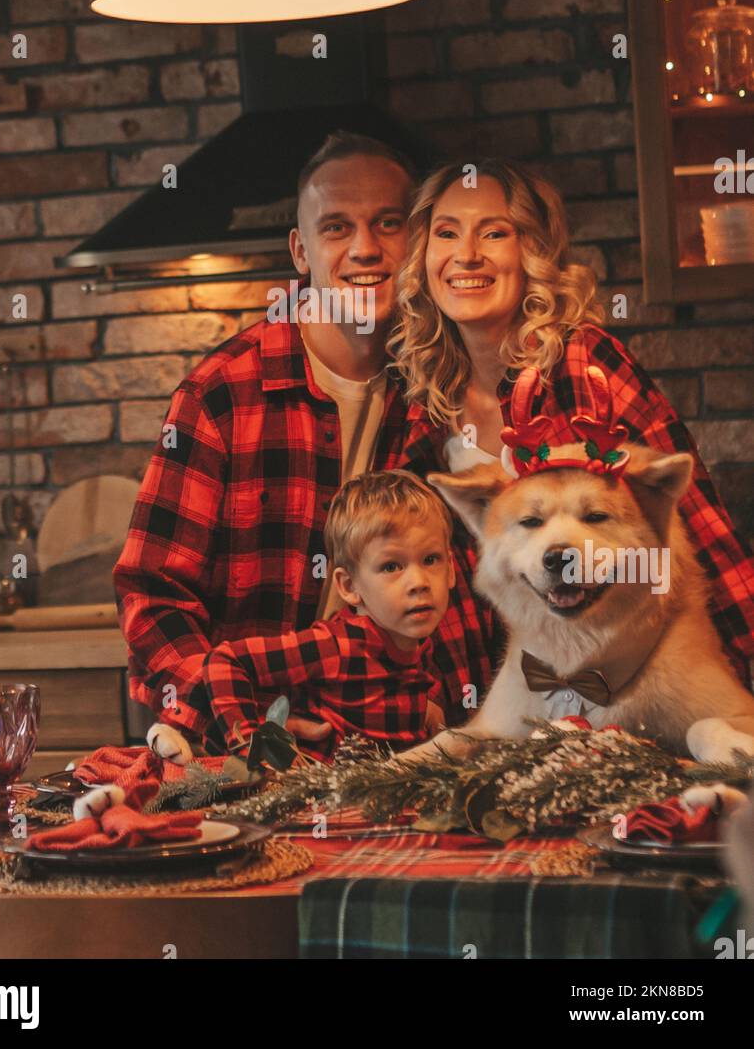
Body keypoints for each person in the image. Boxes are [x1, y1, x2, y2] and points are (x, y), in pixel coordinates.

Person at [114, 132, 500, 753]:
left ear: (418, 241)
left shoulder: (441, 388)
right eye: (337, 227)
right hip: (248, 756)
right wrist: (246, 721)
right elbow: (153, 594)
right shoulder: (222, 394)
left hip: (404, 748)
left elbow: (470, 580)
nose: (366, 249)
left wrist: (440, 702)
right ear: (301, 249)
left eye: (389, 223)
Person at [389, 158, 754, 687]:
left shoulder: (582, 362)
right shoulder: (425, 398)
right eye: (447, 233)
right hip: (499, 701)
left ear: (531, 251)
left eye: (494, 232)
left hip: (624, 692)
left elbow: (698, 535)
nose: (466, 254)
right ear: (424, 256)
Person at [200, 470, 454, 761]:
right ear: (349, 586)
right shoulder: (336, 646)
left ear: (451, 570)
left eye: (430, 559)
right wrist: (251, 744)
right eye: (391, 566)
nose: (419, 582)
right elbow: (226, 660)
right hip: (323, 795)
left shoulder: (420, 641)